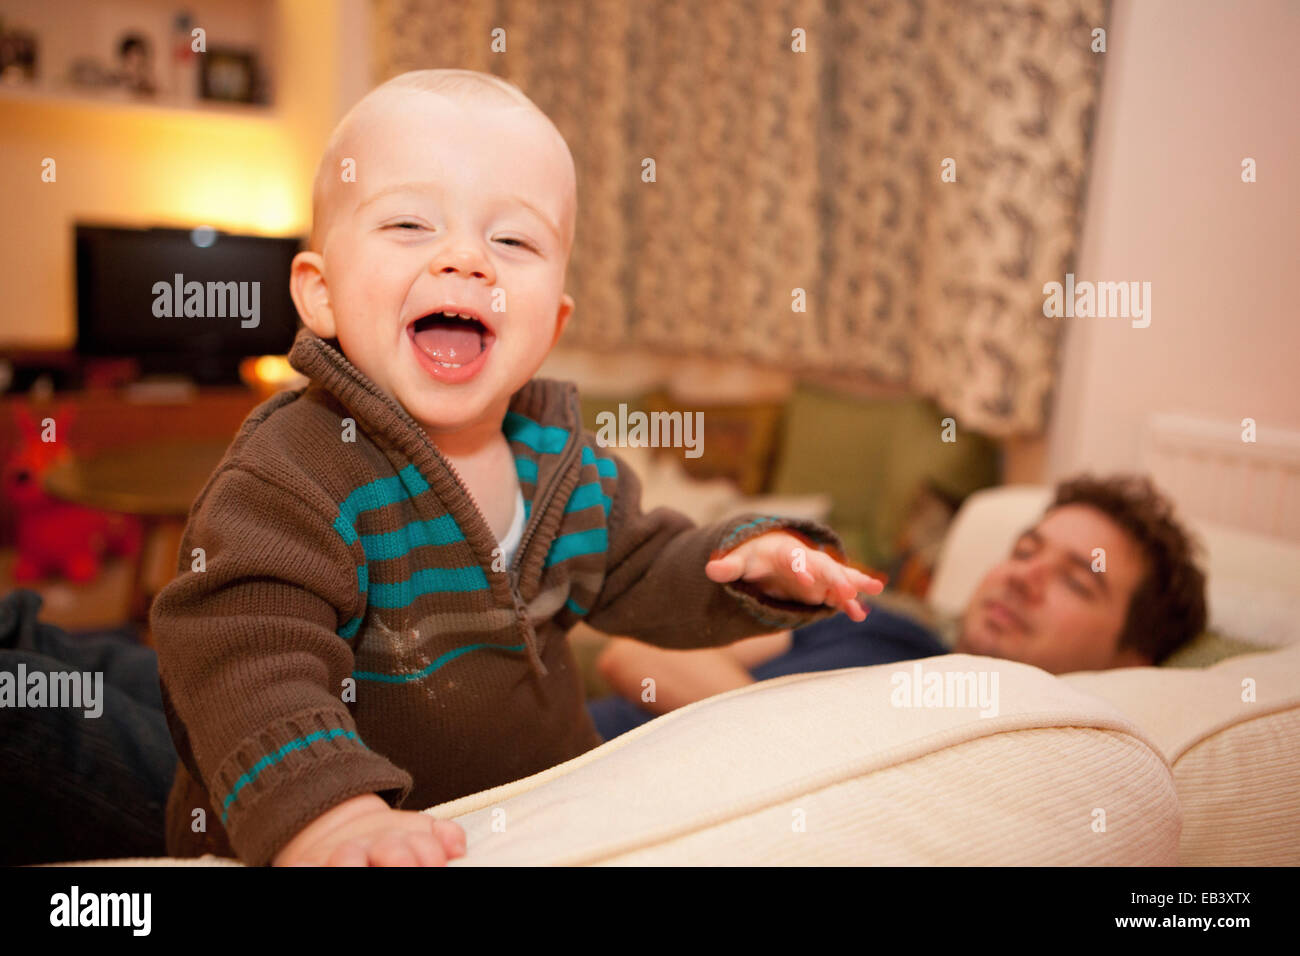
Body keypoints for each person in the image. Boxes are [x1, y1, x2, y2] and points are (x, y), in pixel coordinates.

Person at [147, 68, 878, 868]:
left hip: (532, 819)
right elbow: (245, 656)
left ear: (553, 320)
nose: (465, 259)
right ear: (320, 295)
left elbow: (646, 565)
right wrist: (329, 821)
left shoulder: (559, 460)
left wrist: (757, 562)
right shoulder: (294, 472)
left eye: (513, 240)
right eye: (410, 225)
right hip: (344, 821)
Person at [588, 473, 1209, 739]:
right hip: (558, 762)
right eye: (1025, 552)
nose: (1025, 579)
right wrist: (805, 747)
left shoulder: (1007, 751)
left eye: (1079, 580)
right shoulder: (877, 623)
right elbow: (636, 656)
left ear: (1135, 659)